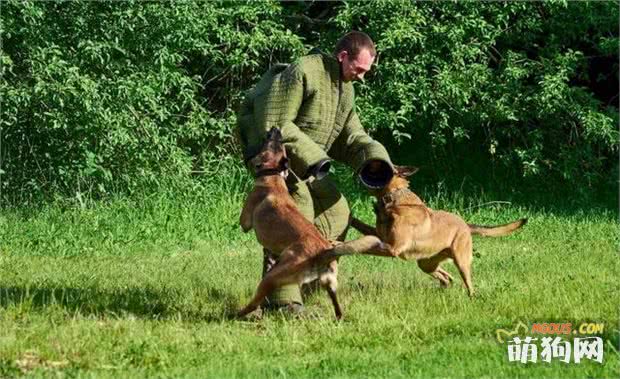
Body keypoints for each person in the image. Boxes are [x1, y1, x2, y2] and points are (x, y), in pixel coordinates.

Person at [237, 31, 394, 313]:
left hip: (308, 162)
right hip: (272, 155)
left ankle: (306, 277)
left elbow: (351, 135)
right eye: (359, 69)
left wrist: (376, 159)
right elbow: (276, 124)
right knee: (299, 210)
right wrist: (314, 156)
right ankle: (282, 301)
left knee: (337, 211)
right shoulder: (304, 71)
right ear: (343, 56)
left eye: (365, 72)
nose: (361, 77)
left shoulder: (345, 89)